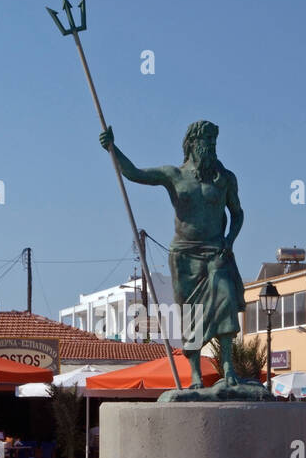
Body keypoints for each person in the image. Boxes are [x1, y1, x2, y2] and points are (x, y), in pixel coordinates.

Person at [99, 121, 245, 387]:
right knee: (192, 312)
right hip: (184, 255)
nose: (211, 149)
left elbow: (237, 213)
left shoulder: (224, 179)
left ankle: (228, 370)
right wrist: (112, 147)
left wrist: (230, 240)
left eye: (214, 144)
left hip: (215, 251)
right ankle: (196, 377)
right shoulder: (174, 175)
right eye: (206, 144)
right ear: (191, 145)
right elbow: (134, 174)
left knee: (225, 298)